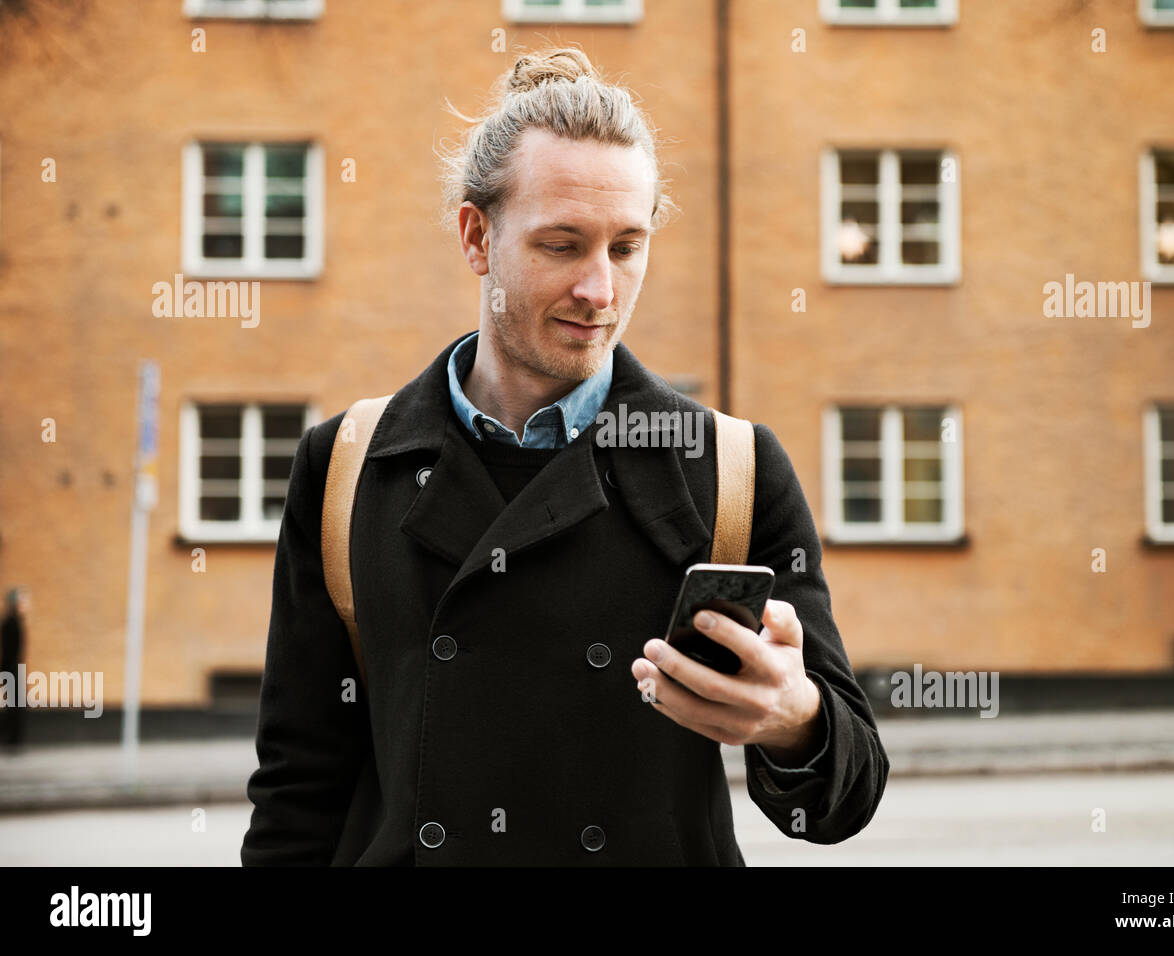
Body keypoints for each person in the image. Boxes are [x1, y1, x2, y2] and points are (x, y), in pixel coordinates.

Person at [241, 47, 888, 866]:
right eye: (562, 246)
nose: (599, 291)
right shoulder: (344, 467)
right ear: (477, 236)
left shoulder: (730, 469)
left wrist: (794, 719)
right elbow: (299, 786)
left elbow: (847, 799)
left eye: (626, 247)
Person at [1, 588, 29, 750]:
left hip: (13, 669)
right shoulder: (11, 623)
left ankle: (14, 739)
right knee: (14, 705)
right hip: (12, 670)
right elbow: (10, 651)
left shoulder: (15, 621)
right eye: (23, 601)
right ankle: (13, 739)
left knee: (15, 705)